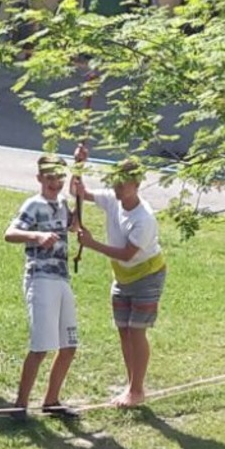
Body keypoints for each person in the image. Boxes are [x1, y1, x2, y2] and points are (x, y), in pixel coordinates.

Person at [73, 151, 165, 408]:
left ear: (136, 186)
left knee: (136, 331)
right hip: (123, 276)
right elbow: (79, 192)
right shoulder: (113, 200)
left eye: (122, 184)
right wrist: (79, 164)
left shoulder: (143, 218)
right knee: (123, 330)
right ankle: (131, 384)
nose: (116, 187)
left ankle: (137, 390)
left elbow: (127, 254)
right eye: (115, 181)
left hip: (147, 275)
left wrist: (91, 244)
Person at [2, 154, 82, 420]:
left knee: (69, 345)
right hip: (40, 278)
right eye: (50, 178)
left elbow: (74, 224)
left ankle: (51, 401)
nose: (55, 183)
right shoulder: (33, 204)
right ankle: (20, 405)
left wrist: (79, 170)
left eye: (59, 177)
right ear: (39, 179)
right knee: (40, 347)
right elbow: (10, 233)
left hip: (61, 278)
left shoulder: (62, 202)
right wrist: (36, 235)